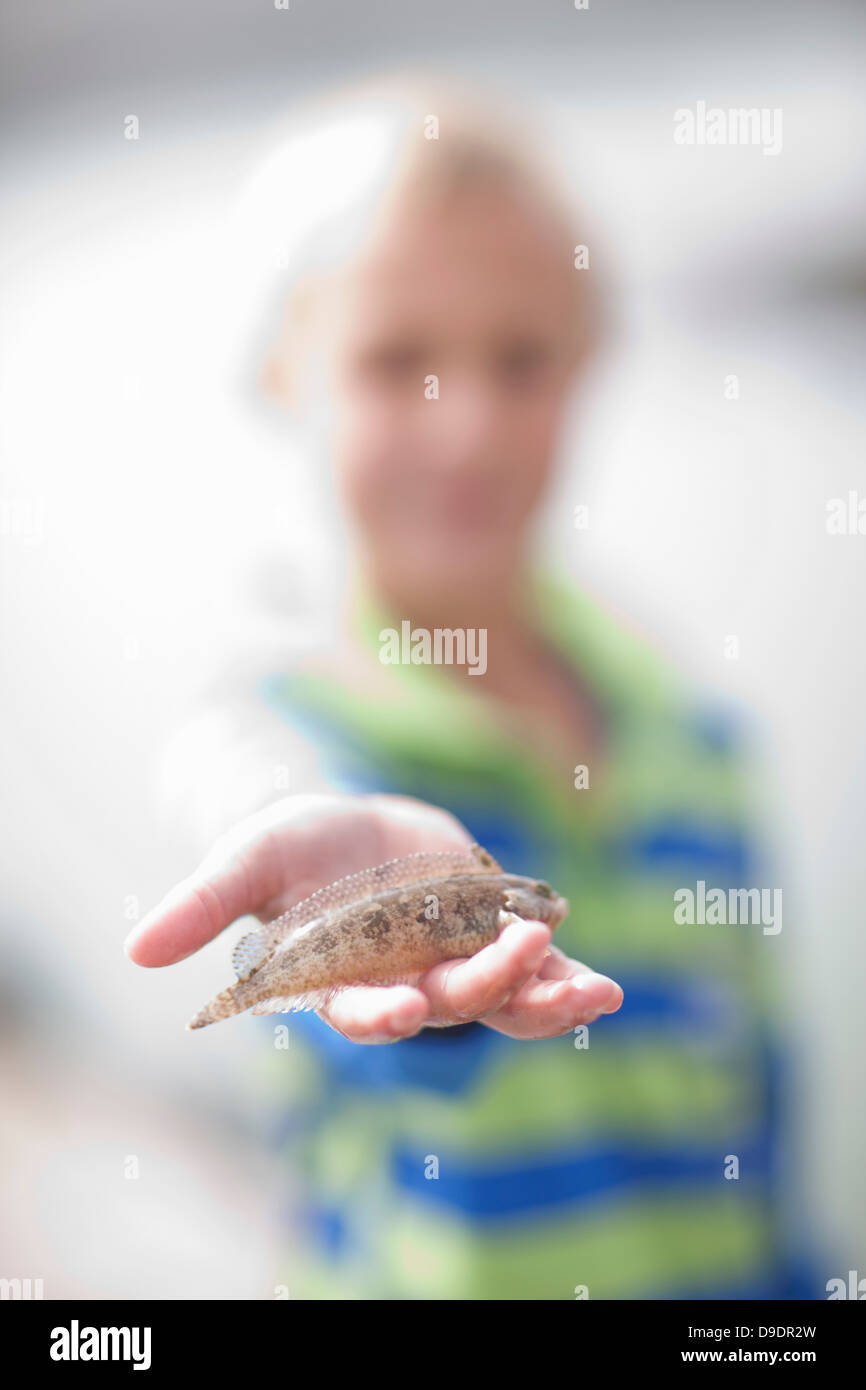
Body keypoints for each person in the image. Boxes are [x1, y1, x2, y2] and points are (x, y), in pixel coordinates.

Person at [126, 71, 818, 1299]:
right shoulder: (288, 739)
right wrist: (370, 933)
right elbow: (241, 794)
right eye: (398, 364)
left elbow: (764, 1130)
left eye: (519, 360)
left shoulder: (695, 745)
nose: (468, 430)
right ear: (289, 373)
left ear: (587, 364)